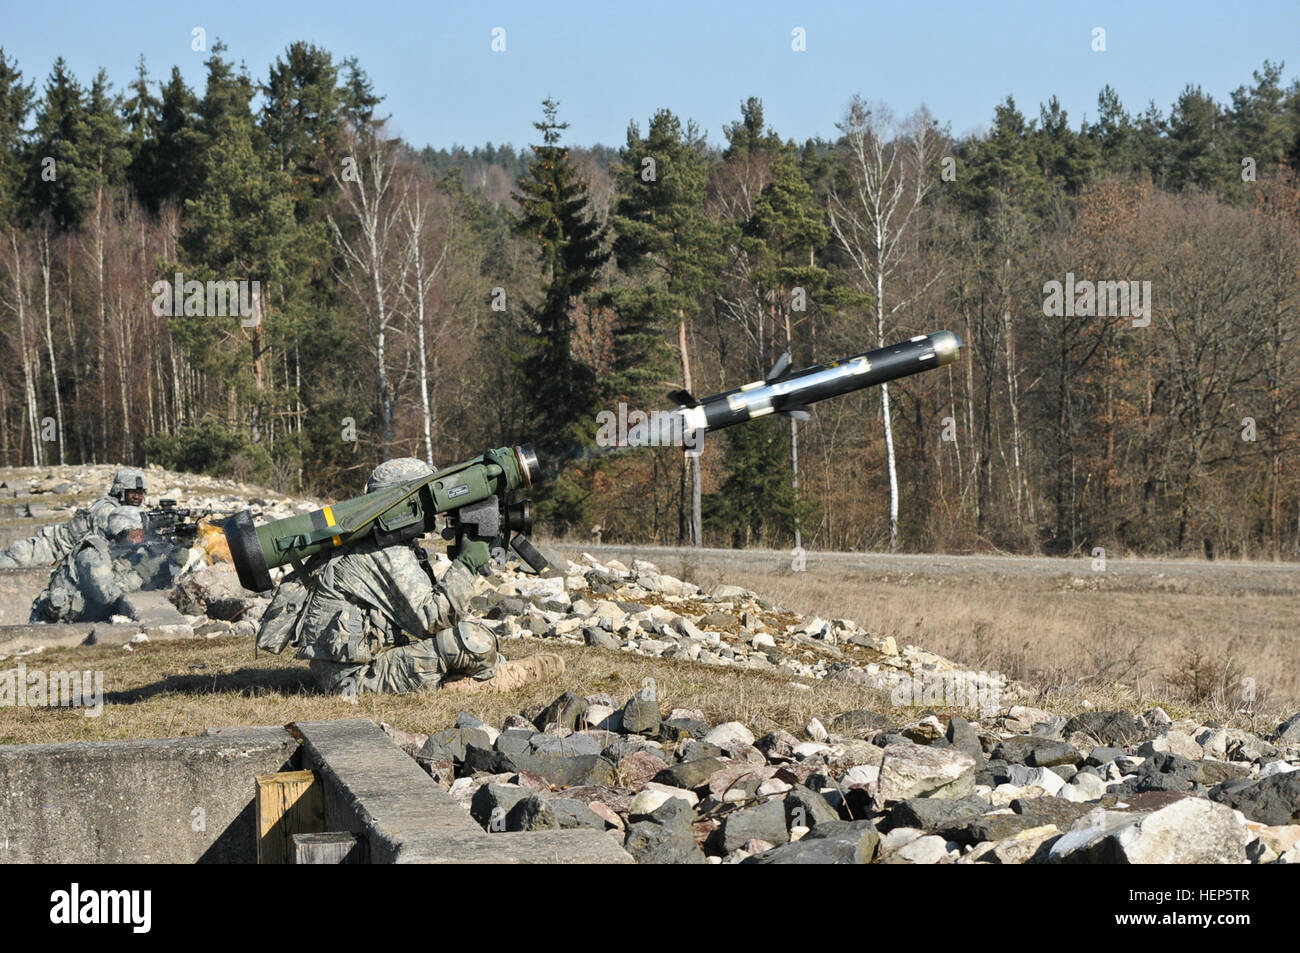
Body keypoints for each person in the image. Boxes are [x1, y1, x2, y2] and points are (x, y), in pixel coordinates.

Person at [271, 457, 560, 696]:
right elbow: (431, 620)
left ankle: (489, 671)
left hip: (350, 668)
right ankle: (498, 678)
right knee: (472, 640)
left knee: (463, 637)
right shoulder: (382, 552)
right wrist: (467, 563)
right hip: (354, 680)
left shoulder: (370, 541)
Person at [28, 507, 184, 624]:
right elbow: (108, 594)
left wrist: (175, 557)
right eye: (137, 533)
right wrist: (143, 570)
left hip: (83, 618)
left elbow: (152, 583)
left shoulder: (123, 550)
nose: (142, 538)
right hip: (54, 625)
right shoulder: (92, 553)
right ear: (122, 532)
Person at [0, 468, 148, 568]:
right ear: (120, 491)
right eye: (133, 492)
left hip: (62, 549)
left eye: (140, 493)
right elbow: (122, 539)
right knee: (12, 558)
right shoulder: (108, 510)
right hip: (52, 547)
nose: (137, 497)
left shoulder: (124, 510)